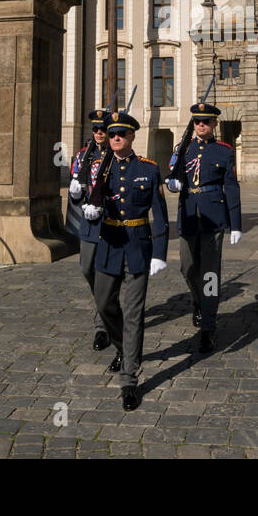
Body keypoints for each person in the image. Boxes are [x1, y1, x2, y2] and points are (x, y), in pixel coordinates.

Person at [86, 111, 168, 411]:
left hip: (137, 244)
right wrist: (87, 207)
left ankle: (129, 380)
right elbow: (85, 196)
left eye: (122, 134)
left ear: (133, 136)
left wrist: (159, 252)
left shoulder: (148, 168)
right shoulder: (99, 167)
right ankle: (122, 346)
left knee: (133, 314)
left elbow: (159, 213)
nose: (116, 138)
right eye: (111, 134)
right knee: (104, 304)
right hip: (109, 242)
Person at [166, 103, 242, 353]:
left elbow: (230, 186)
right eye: (198, 121)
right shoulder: (182, 149)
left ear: (214, 125)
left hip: (213, 217)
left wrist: (236, 224)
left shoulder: (224, 151)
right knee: (187, 268)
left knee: (210, 274)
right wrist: (173, 184)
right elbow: (172, 176)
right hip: (188, 215)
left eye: (206, 122)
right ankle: (198, 302)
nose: (201, 125)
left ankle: (208, 326)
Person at [68, 108, 110, 351]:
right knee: (86, 269)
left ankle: (102, 326)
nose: (98, 133)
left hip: (109, 222)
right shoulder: (83, 156)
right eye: (95, 129)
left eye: (102, 129)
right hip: (89, 223)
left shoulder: (116, 155)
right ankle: (106, 303)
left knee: (106, 273)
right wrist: (75, 194)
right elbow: (78, 192)